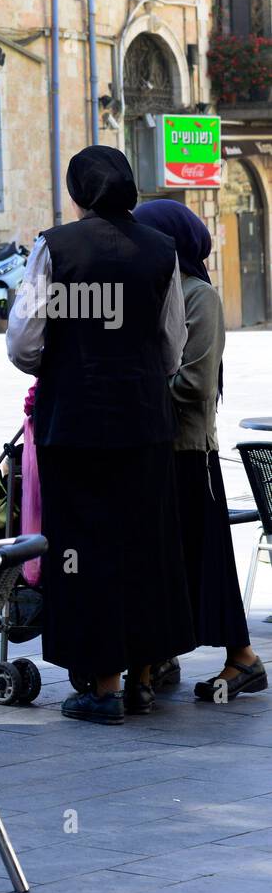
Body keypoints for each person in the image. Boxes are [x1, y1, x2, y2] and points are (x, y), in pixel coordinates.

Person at [7, 146, 194, 724]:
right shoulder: (161, 250)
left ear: (78, 194)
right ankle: (143, 676)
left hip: (77, 424)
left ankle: (103, 685)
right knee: (145, 545)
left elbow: (24, 341)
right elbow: (171, 345)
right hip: (143, 420)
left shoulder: (55, 248)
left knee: (83, 552)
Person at [135, 199, 265, 702]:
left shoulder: (199, 296)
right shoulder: (156, 291)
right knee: (169, 561)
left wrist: (134, 390)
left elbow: (194, 384)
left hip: (190, 453)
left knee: (205, 561)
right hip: (156, 450)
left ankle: (243, 660)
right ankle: (161, 652)